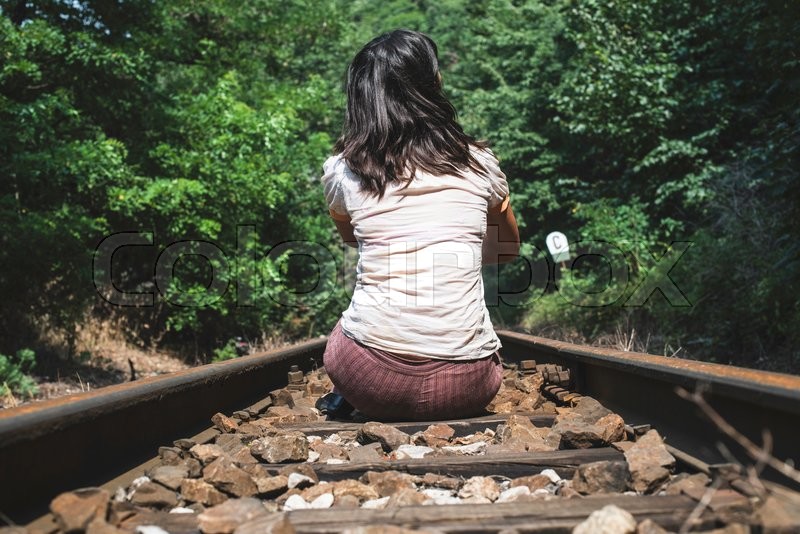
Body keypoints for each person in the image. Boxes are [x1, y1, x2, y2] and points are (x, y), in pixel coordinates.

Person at [319, 29, 520, 421]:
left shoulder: (343, 170)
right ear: (433, 85)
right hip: (468, 384)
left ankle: (350, 396)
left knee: (348, 328)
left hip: (368, 379)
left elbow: (353, 240)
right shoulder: (480, 163)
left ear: (362, 95)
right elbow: (506, 250)